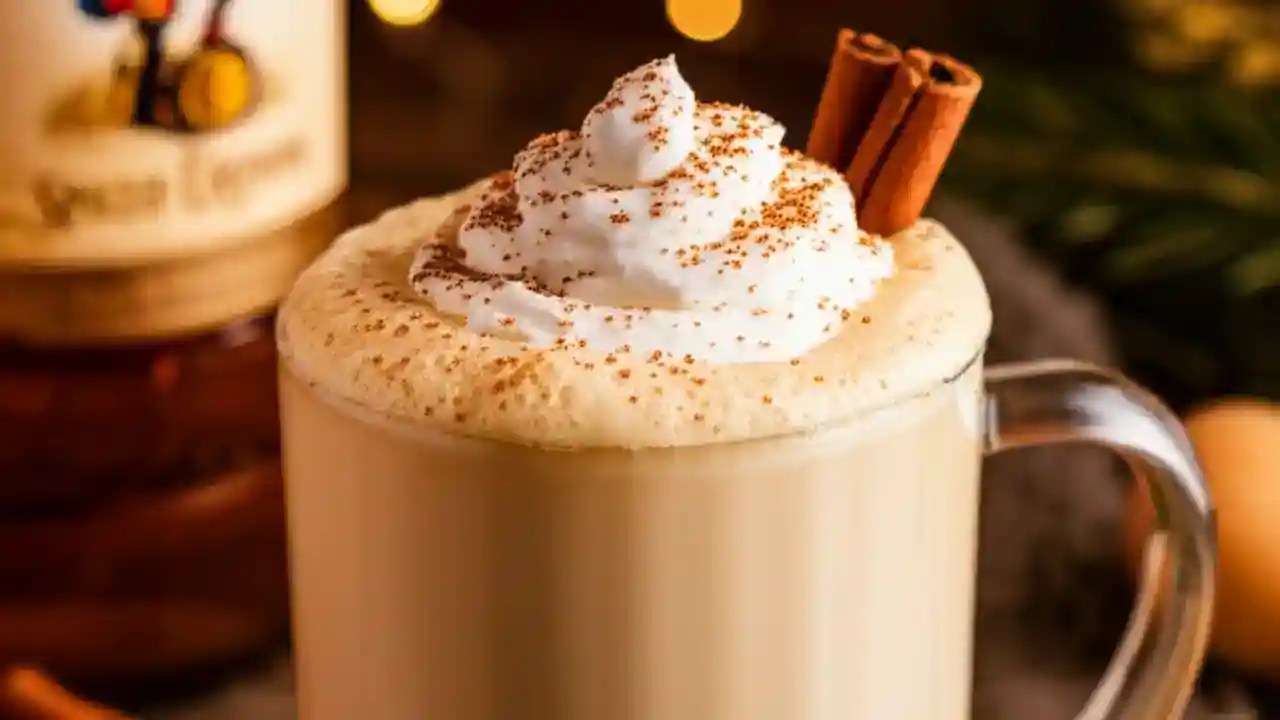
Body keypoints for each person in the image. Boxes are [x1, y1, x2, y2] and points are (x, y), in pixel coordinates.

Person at [77, 0, 178, 126]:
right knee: (152, 63)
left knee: (152, 62)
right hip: (152, 18)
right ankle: (144, 113)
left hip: (154, 17)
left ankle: (144, 112)